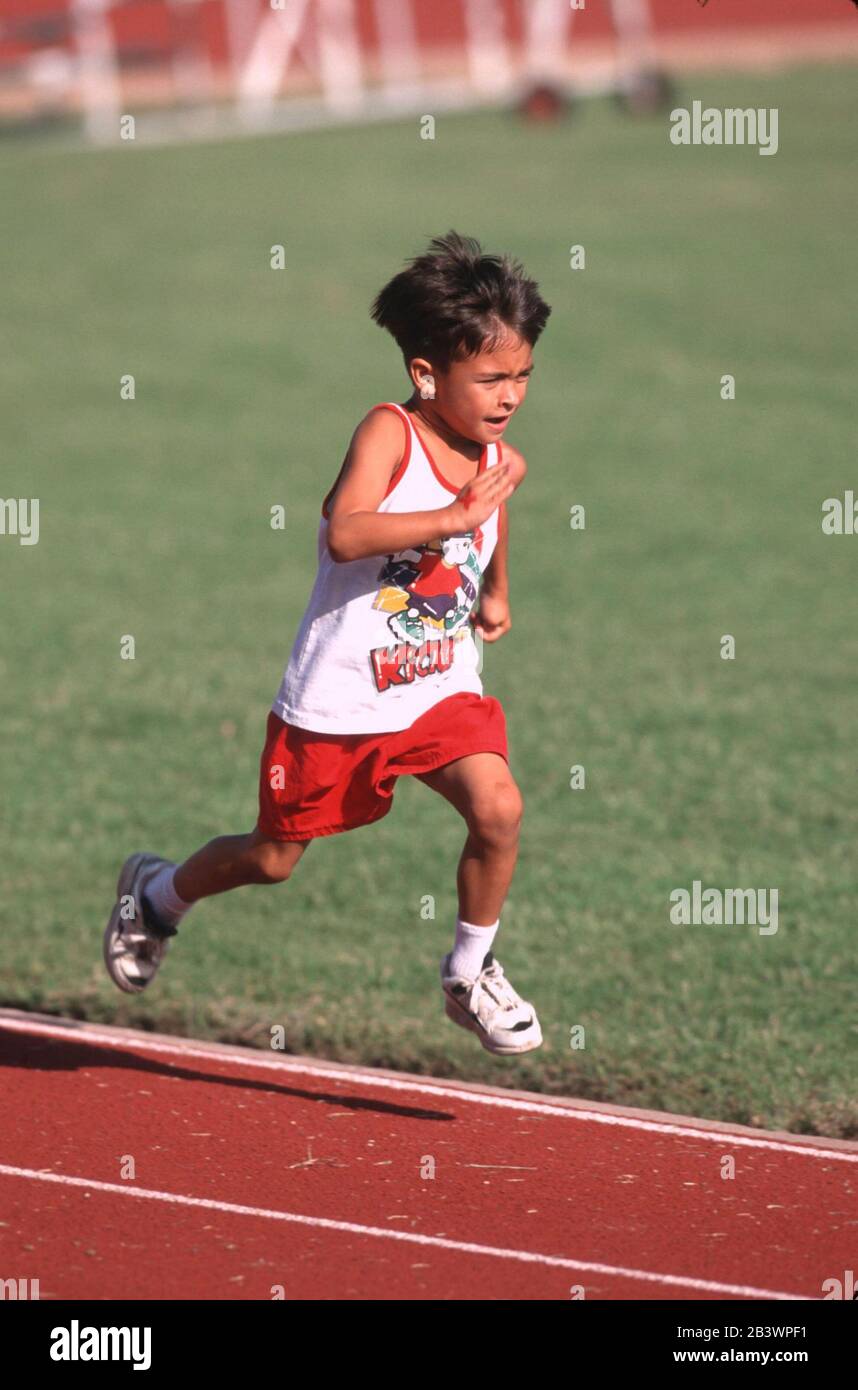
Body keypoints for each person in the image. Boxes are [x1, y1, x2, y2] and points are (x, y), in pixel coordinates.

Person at [104, 230, 552, 1056]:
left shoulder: (498, 455)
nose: (510, 393)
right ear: (426, 374)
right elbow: (345, 533)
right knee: (274, 859)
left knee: (500, 808)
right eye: (491, 377)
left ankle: (468, 971)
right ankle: (158, 895)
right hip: (340, 699)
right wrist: (450, 518)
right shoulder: (388, 431)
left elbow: (492, 504)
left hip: (437, 685)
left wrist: (496, 588)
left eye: (522, 373)